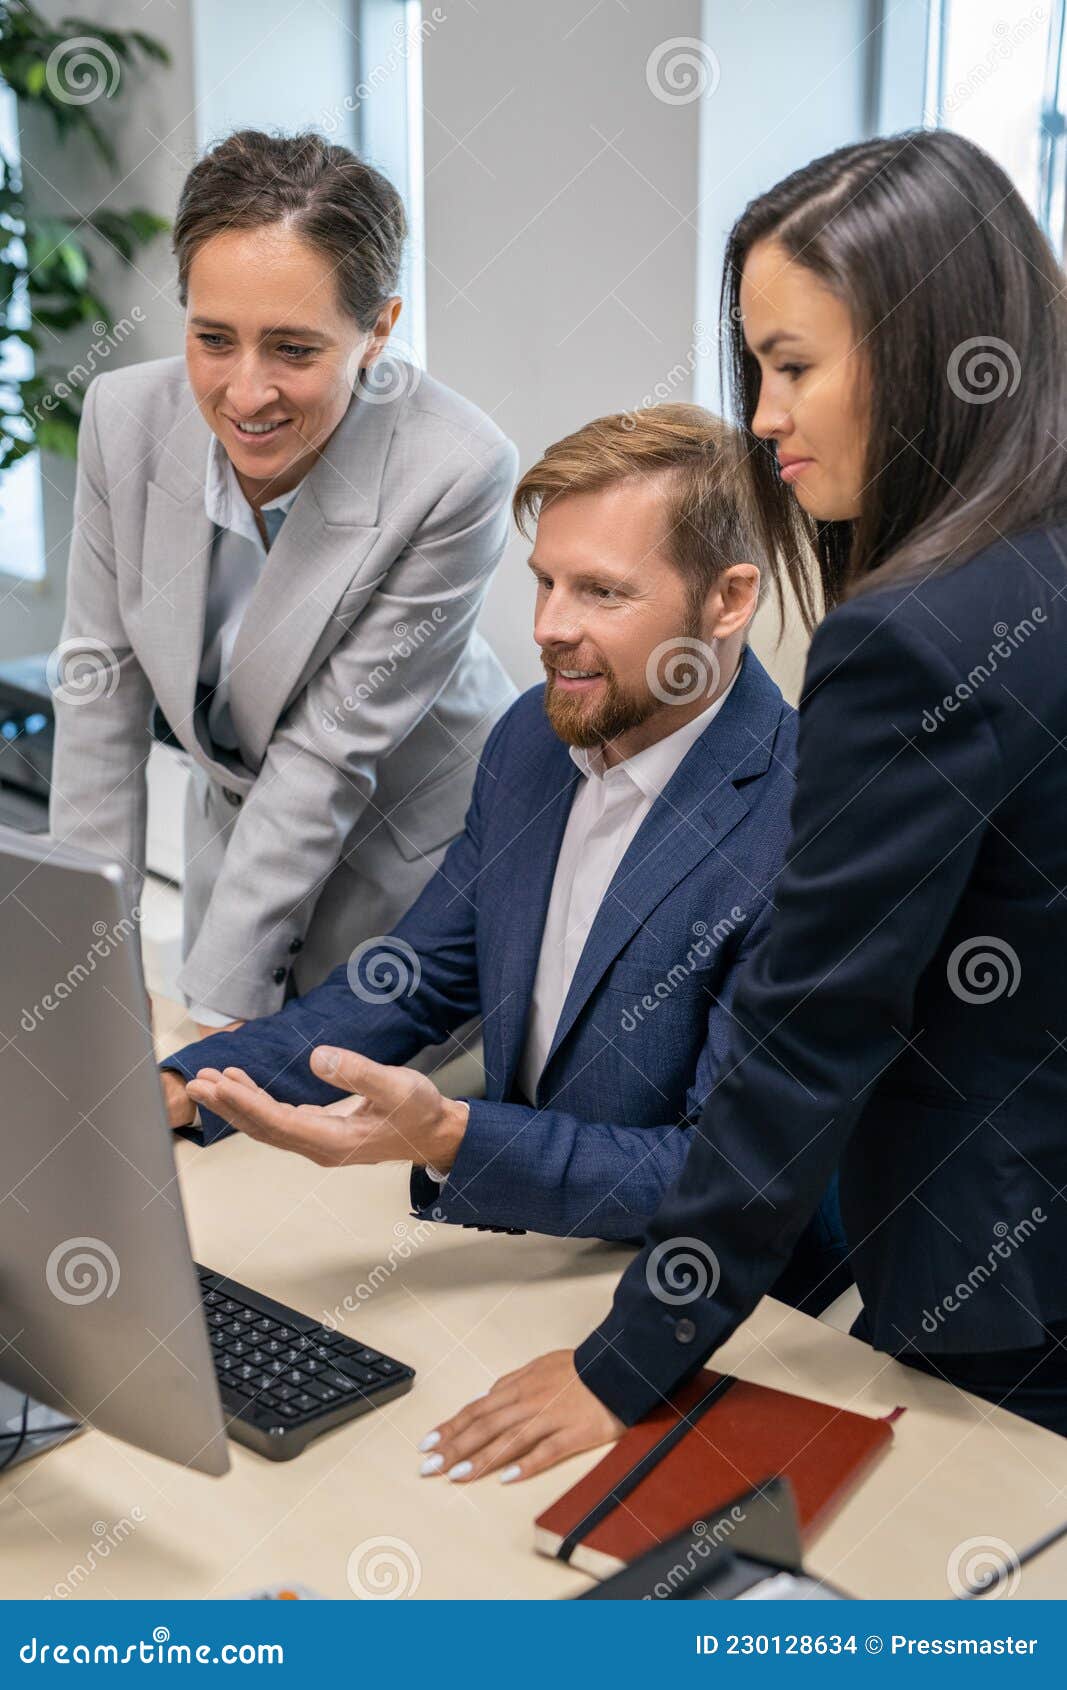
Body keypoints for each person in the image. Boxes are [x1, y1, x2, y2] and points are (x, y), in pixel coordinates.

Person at [419, 128, 1067, 1486]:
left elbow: (808, 1029)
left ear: (929, 351)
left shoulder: (912, 640)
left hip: (996, 1264)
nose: (759, 415)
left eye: (791, 367)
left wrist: (628, 1355)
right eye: (753, 365)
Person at [160, 406, 847, 1305]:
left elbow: (718, 1170)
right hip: (527, 1250)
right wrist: (185, 1088)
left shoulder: (811, 828)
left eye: (601, 592)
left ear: (727, 600)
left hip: (714, 1299)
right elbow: (414, 979)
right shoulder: (532, 737)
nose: (548, 628)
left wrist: (450, 1136)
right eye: (544, 583)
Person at [49, 129, 516, 1034]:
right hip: (236, 855)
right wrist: (87, 986)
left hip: (407, 876)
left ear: (377, 330)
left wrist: (215, 1020)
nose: (245, 392)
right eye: (212, 338)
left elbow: (325, 757)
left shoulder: (455, 469)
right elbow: (98, 703)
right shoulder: (124, 416)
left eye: (294, 350)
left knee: (303, 1143)